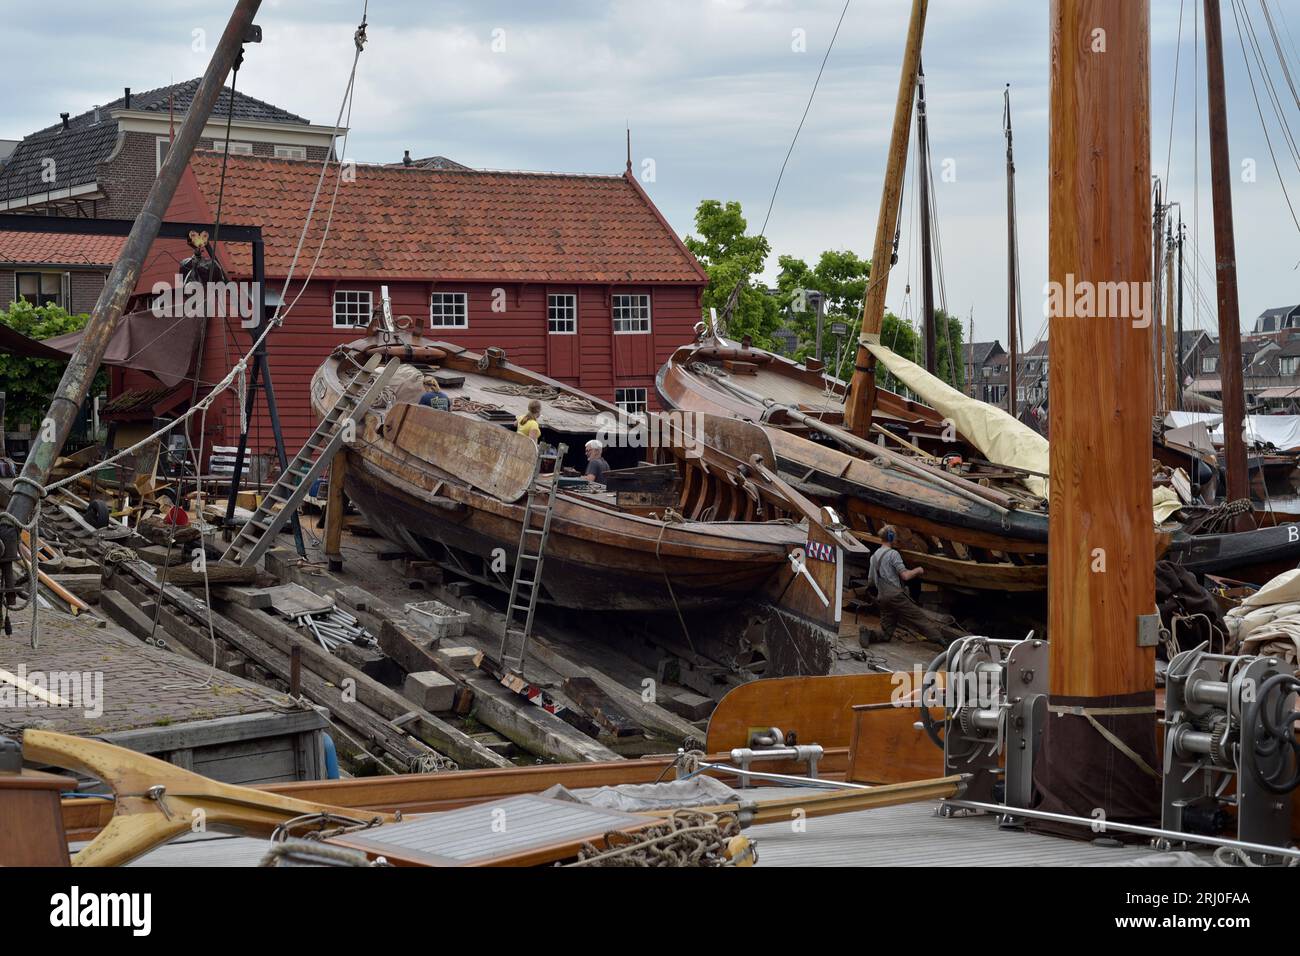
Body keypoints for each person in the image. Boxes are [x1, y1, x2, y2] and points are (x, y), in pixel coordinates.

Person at [864, 524, 966, 647]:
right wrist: (918, 570)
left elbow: (871, 580)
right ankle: (943, 641)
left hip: (882, 597)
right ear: (893, 538)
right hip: (896, 596)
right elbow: (905, 576)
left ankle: (869, 634)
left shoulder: (874, 556)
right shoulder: (893, 554)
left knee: (886, 632)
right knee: (919, 618)